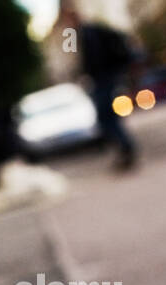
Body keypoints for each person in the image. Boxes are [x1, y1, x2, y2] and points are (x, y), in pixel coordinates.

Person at [67, 10, 139, 169]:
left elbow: (92, 58)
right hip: (106, 78)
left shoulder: (86, 33)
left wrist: (87, 74)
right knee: (108, 118)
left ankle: (125, 149)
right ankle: (124, 149)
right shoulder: (88, 31)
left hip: (102, 80)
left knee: (106, 118)